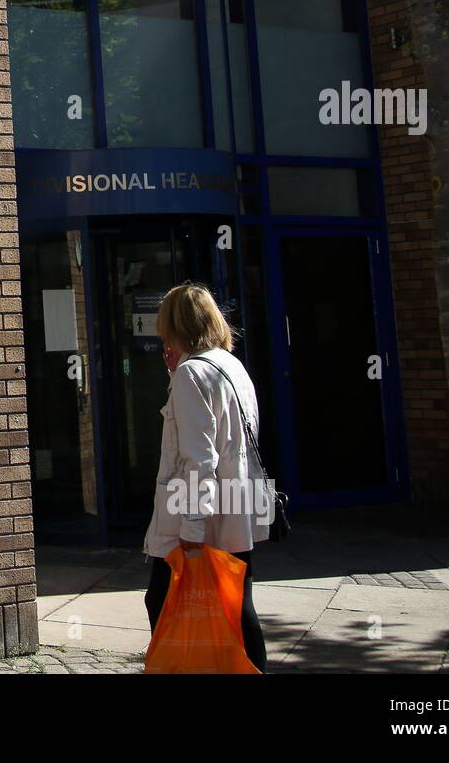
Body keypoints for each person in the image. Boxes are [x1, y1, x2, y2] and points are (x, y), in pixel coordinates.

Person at [142, 282, 270, 672]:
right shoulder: (230, 365)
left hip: (199, 507)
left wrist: (192, 530)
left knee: (162, 600)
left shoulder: (191, 374)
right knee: (237, 600)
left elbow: (199, 457)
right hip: (239, 500)